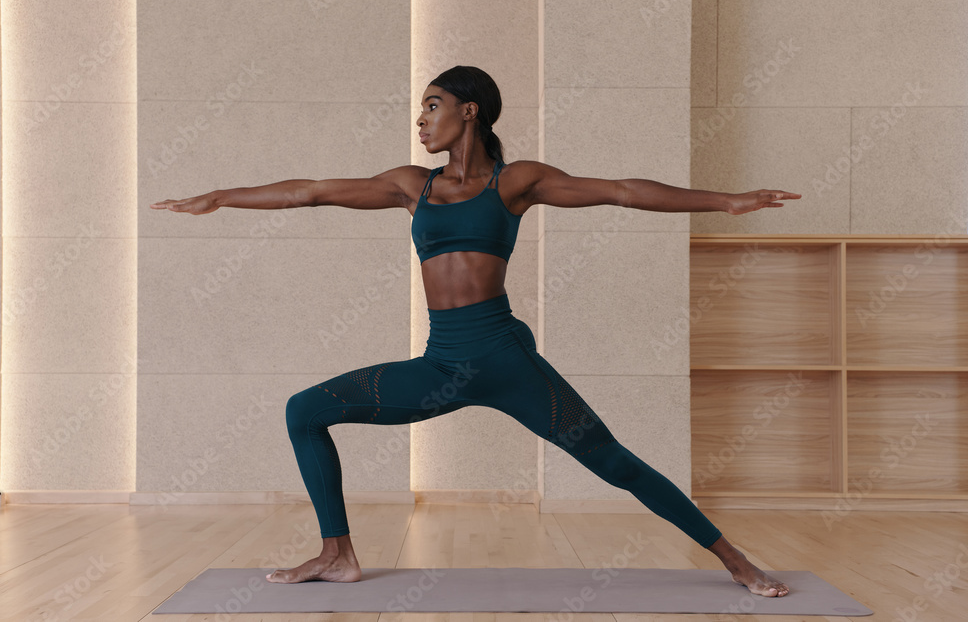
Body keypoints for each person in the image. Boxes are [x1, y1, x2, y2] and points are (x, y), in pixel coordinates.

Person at [152, 65, 800, 597]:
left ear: (469, 111)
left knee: (613, 461)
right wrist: (221, 194)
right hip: (440, 367)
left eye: (432, 105)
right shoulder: (412, 186)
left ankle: (737, 560)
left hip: (506, 359)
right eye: (420, 108)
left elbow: (623, 190)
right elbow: (312, 191)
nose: (420, 119)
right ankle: (336, 553)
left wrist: (725, 201)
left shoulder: (516, 181)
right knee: (303, 411)